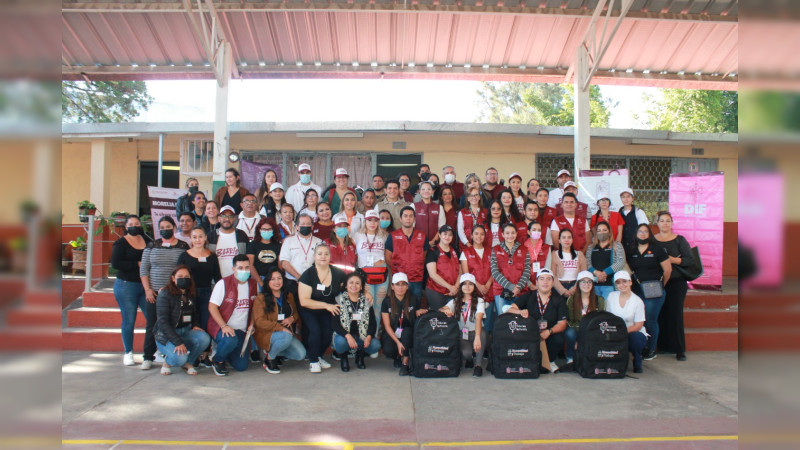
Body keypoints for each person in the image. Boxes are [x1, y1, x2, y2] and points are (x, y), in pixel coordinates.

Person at [139, 216, 189, 370]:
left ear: (174, 228)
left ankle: (169, 353)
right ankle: (148, 356)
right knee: (152, 324)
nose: (165, 229)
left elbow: (184, 270)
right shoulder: (152, 245)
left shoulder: (183, 246)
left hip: (174, 293)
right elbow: (144, 269)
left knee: (173, 323)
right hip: (153, 293)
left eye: (168, 226)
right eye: (162, 227)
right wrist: (147, 289)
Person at [298, 244, 347, 373]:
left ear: (330, 256)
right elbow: (304, 301)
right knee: (315, 331)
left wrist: (366, 292)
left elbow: (350, 285)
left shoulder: (338, 273)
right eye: (319, 254)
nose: (323, 256)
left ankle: (318, 355)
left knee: (327, 333)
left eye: (326, 254)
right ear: (314, 257)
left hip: (328, 310)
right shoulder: (307, 275)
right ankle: (313, 361)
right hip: (310, 309)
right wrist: (326, 305)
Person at [507, 269, 568, 373]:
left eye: (549, 279)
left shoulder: (559, 300)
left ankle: (551, 360)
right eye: (542, 279)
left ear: (553, 283)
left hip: (548, 333)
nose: (545, 282)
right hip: (530, 333)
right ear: (536, 282)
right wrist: (520, 312)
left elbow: (562, 324)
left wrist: (549, 331)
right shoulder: (529, 296)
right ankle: (529, 360)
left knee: (559, 339)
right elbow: (509, 309)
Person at [154, 266, 211, 376]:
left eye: (186, 277)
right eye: (180, 277)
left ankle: (188, 363)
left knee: (204, 338)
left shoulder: (191, 293)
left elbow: (195, 313)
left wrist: (195, 324)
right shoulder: (165, 294)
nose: (183, 279)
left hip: (185, 330)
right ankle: (168, 362)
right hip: (167, 335)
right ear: (173, 278)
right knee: (179, 358)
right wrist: (178, 342)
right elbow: (163, 322)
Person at [111, 215, 151, 366]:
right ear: (126, 227)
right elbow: (116, 263)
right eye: (131, 224)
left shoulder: (147, 240)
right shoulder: (121, 243)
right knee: (129, 320)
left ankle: (152, 351)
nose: (134, 226)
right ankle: (128, 352)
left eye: (137, 223)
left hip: (146, 285)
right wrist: (137, 264)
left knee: (152, 318)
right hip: (127, 285)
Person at [207, 255, 257, 375]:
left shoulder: (253, 284)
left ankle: (225, 352)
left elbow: (255, 308)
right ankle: (217, 360)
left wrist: (252, 324)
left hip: (241, 331)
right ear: (233, 268)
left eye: (246, 267)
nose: (244, 271)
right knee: (230, 341)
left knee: (241, 366)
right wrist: (224, 326)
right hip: (222, 328)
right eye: (240, 267)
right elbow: (212, 307)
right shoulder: (223, 283)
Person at [628, 223, 671, 361]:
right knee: (638, 319)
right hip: (636, 290)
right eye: (640, 231)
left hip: (654, 291)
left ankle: (651, 349)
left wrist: (660, 285)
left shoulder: (657, 250)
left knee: (650, 321)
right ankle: (640, 346)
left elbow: (668, 270)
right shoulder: (631, 250)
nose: (643, 234)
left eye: (646, 232)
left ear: (649, 234)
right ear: (636, 234)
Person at [654, 211, 694, 361]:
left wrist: (671, 260)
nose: (665, 223)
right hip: (657, 282)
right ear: (657, 223)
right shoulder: (652, 241)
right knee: (660, 314)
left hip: (677, 282)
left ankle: (679, 350)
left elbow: (689, 260)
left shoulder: (680, 240)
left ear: (672, 223)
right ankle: (663, 346)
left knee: (676, 315)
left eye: (668, 221)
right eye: (662, 221)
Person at [252, 267, 305, 374]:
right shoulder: (261, 298)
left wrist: (292, 318)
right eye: (273, 279)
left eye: (279, 278)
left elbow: (295, 313)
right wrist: (280, 328)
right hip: (267, 333)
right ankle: (270, 358)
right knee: (286, 336)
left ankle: (274, 353)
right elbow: (259, 321)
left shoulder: (288, 295)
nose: (277, 282)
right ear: (268, 281)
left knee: (300, 354)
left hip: (286, 333)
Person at [176, 226, 221, 342]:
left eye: (200, 237)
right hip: (189, 294)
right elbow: (178, 276)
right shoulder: (184, 256)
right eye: (194, 237)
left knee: (206, 322)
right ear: (190, 238)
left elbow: (218, 278)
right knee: (190, 322)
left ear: (205, 238)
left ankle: (205, 353)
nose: (198, 240)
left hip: (207, 294)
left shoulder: (212, 256)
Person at [331, 272, 380, 371]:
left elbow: (372, 323)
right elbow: (334, 324)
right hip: (345, 336)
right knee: (340, 342)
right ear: (346, 285)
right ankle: (343, 357)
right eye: (351, 282)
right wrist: (348, 336)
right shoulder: (338, 300)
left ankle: (360, 356)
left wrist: (369, 336)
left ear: (361, 287)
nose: (354, 285)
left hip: (361, 335)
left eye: (357, 283)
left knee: (375, 345)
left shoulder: (366, 301)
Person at [441, 273, 486, 377]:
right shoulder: (455, 301)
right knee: (466, 354)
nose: (467, 286)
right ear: (460, 287)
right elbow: (441, 309)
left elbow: (479, 318)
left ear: (474, 287)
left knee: (482, 334)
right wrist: (446, 310)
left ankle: (478, 366)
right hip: (462, 333)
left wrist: (477, 337)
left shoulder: (480, 301)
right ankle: (470, 358)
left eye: (470, 284)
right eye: (464, 284)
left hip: (476, 331)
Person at [381, 273, 427, 376]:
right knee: (388, 349)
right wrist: (397, 342)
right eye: (397, 284)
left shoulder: (413, 299)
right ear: (392, 286)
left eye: (403, 284)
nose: (400, 287)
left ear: (407, 286)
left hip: (408, 333)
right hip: (393, 333)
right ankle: (396, 357)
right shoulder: (386, 302)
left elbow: (417, 315)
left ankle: (405, 362)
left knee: (406, 332)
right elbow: (387, 326)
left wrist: (419, 312)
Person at [605, 271, 647, 373]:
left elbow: (638, 325)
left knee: (637, 339)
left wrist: (622, 332)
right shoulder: (611, 296)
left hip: (632, 331)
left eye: (624, 281)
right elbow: (607, 317)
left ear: (630, 282)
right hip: (614, 330)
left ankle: (637, 358)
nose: (622, 285)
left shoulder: (638, 301)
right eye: (618, 283)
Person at [563, 271, 606, 370]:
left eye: (589, 282)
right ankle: (570, 357)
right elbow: (569, 320)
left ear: (592, 284)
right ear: (578, 284)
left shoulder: (599, 300)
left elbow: (600, 320)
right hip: (576, 328)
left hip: (592, 329)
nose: (586, 284)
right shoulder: (571, 299)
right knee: (570, 333)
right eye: (583, 282)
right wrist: (579, 337)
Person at [385, 206, 428, 302]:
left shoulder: (422, 236)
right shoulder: (393, 236)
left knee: (416, 306)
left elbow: (424, 256)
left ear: (414, 219)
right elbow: (388, 257)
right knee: (398, 306)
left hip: (416, 278)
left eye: (411, 216)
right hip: (399, 279)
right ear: (401, 219)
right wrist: (397, 270)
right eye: (405, 216)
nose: (408, 218)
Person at [354, 210, 390, 324]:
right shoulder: (357, 235)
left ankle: (375, 333)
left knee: (378, 304)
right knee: (367, 302)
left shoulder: (384, 236)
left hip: (381, 272)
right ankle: (365, 333)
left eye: (375, 220)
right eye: (370, 220)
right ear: (365, 221)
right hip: (364, 272)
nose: (372, 223)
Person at [459, 224, 494, 333]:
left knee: (488, 324)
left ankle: (486, 346)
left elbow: (495, 270)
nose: (479, 236)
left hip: (490, 291)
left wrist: (488, 284)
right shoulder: (466, 252)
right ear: (472, 236)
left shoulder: (491, 251)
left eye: (482, 234)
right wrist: (478, 285)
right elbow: (466, 274)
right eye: (476, 234)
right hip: (473, 293)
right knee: (474, 323)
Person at [491, 222, 531, 315]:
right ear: (502, 234)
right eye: (507, 233)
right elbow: (495, 272)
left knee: (520, 318)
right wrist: (511, 287)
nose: (510, 235)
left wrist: (518, 287)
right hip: (501, 291)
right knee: (503, 318)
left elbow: (527, 270)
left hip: (520, 291)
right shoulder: (495, 249)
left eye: (513, 233)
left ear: (517, 234)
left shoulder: (524, 249)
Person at [279, 213, 323, 297]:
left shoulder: (319, 242)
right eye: (302, 224)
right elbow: (284, 262)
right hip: (292, 282)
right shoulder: (288, 241)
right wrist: (300, 278)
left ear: (312, 226)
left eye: (308, 224)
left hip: (313, 282)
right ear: (297, 227)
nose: (305, 226)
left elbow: (322, 262)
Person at [585, 221, 626, 299]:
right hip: (593, 285)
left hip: (610, 285)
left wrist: (605, 273)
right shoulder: (591, 247)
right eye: (599, 231)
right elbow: (587, 262)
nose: (602, 232)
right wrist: (596, 272)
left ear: (609, 232)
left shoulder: (617, 245)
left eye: (604, 230)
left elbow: (621, 262)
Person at [424, 225, 461, 310]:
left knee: (452, 317)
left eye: (450, 234)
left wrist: (456, 287)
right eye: (445, 234)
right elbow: (432, 274)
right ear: (439, 235)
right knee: (439, 317)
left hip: (453, 291)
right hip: (436, 291)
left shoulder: (455, 249)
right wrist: (450, 287)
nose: (447, 237)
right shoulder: (432, 251)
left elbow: (461, 271)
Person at [207, 205, 249, 278]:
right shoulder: (211, 236)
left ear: (234, 218)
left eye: (230, 216)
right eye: (223, 216)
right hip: (217, 281)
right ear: (219, 218)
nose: (227, 219)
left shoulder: (241, 235)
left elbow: (248, 258)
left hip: (239, 279)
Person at [550, 228, 588, 298]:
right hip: (559, 288)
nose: (566, 240)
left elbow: (584, 274)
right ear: (559, 240)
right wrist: (563, 291)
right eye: (563, 237)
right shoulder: (554, 255)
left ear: (572, 240)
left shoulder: (579, 255)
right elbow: (553, 276)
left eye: (569, 237)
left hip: (576, 286)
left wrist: (574, 289)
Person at [246, 217, 282, 288]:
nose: (266, 231)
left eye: (269, 229)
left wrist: (276, 280)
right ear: (259, 230)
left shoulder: (278, 246)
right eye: (264, 229)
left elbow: (280, 266)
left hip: (274, 280)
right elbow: (249, 264)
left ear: (273, 230)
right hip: (257, 279)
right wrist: (260, 281)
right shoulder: (253, 245)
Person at [414, 181, 446, 248]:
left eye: (429, 189)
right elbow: (411, 227)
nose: (426, 191)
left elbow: (441, 227)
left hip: (435, 244)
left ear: (432, 191)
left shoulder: (439, 207)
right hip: (417, 244)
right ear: (419, 191)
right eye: (423, 189)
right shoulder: (413, 206)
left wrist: (433, 241)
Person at [619, 188, 650, 253]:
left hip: (636, 247)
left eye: (628, 196)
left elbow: (644, 229)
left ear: (632, 198)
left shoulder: (639, 212)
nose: (626, 199)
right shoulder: (619, 213)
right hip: (622, 248)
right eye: (623, 197)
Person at [523, 221, 550, 291]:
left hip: (543, 284)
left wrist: (541, 284)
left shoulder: (546, 247)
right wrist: (529, 284)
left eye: (539, 230)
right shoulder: (522, 248)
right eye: (534, 230)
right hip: (525, 284)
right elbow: (520, 269)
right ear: (528, 232)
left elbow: (547, 268)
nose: (537, 232)